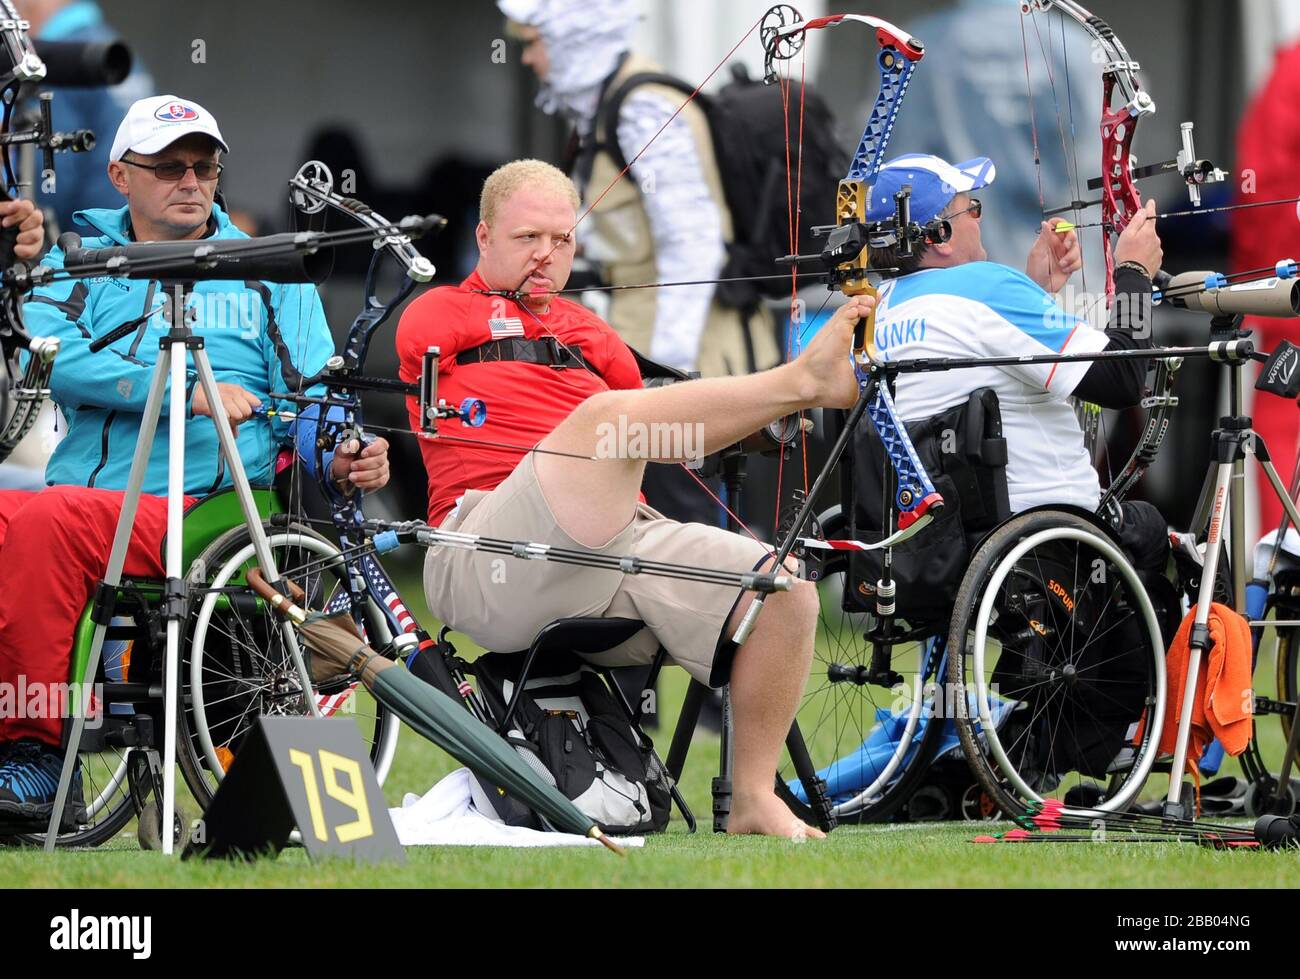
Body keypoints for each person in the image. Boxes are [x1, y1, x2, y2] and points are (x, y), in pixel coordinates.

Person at [397, 159, 873, 838]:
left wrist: (754, 422)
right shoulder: (439, 311)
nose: (546, 254)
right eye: (528, 237)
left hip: (607, 544)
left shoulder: (595, 335)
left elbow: (671, 436)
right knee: (604, 422)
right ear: (483, 236)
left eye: (562, 240)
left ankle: (753, 797)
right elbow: (426, 348)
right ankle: (802, 377)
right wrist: (532, 322)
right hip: (485, 550)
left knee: (784, 591)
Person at [0, 94, 391, 822]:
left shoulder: (272, 274)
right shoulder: (72, 263)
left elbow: (315, 399)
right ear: (120, 175)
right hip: (92, 508)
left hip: (209, 516)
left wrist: (344, 451)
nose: (192, 181)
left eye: (205, 167)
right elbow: (43, 354)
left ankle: (38, 758)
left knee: (50, 519)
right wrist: (184, 386)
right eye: (171, 167)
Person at [500, 0, 781, 528]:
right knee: (651, 512)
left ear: (573, 38)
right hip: (644, 340)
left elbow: (692, 239)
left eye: (535, 42)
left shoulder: (640, 106)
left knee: (683, 519)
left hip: (686, 346)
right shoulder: (608, 106)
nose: (528, 58)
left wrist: (668, 377)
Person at [865, 153, 1170, 576]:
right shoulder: (987, 287)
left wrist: (1036, 293)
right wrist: (1135, 272)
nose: (979, 218)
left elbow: (974, 357)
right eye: (971, 208)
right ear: (941, 234)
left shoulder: (868, 313)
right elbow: (1120, 379)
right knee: (1154, 532)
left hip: (929, 550)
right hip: (1044, 538)